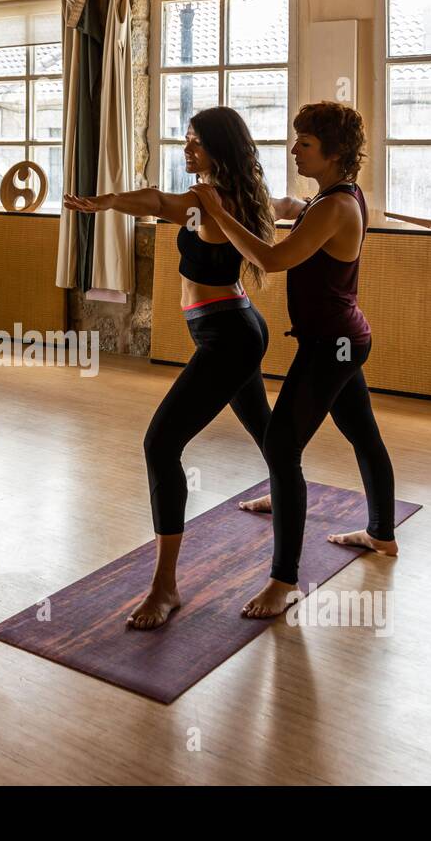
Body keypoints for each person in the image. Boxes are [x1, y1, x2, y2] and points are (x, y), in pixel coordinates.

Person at [63, 106, 275, 629]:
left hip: (228, 336)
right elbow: (159, 199)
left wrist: (109, 202)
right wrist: (112, 202)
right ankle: (288, 489)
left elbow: (158, 200)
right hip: (233, 326)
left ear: (218, 149)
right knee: (267, 430)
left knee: (160, 444)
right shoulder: (230, 195)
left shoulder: (209, 199)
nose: (186, 150)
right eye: (186, 140)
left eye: (195, 142)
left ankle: (165, 586)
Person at [190, 101, 398, 619]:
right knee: (362, 435)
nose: (293, 149)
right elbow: (287, 206)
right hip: (342, 338)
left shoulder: (335, 207)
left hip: (332, 344)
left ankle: (284, 581)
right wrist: (253, 197)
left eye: (304, 143)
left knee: (283, 447)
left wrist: (217, 213)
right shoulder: (327, 197)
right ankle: (381, 535)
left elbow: (272, 259)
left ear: (333, 152)